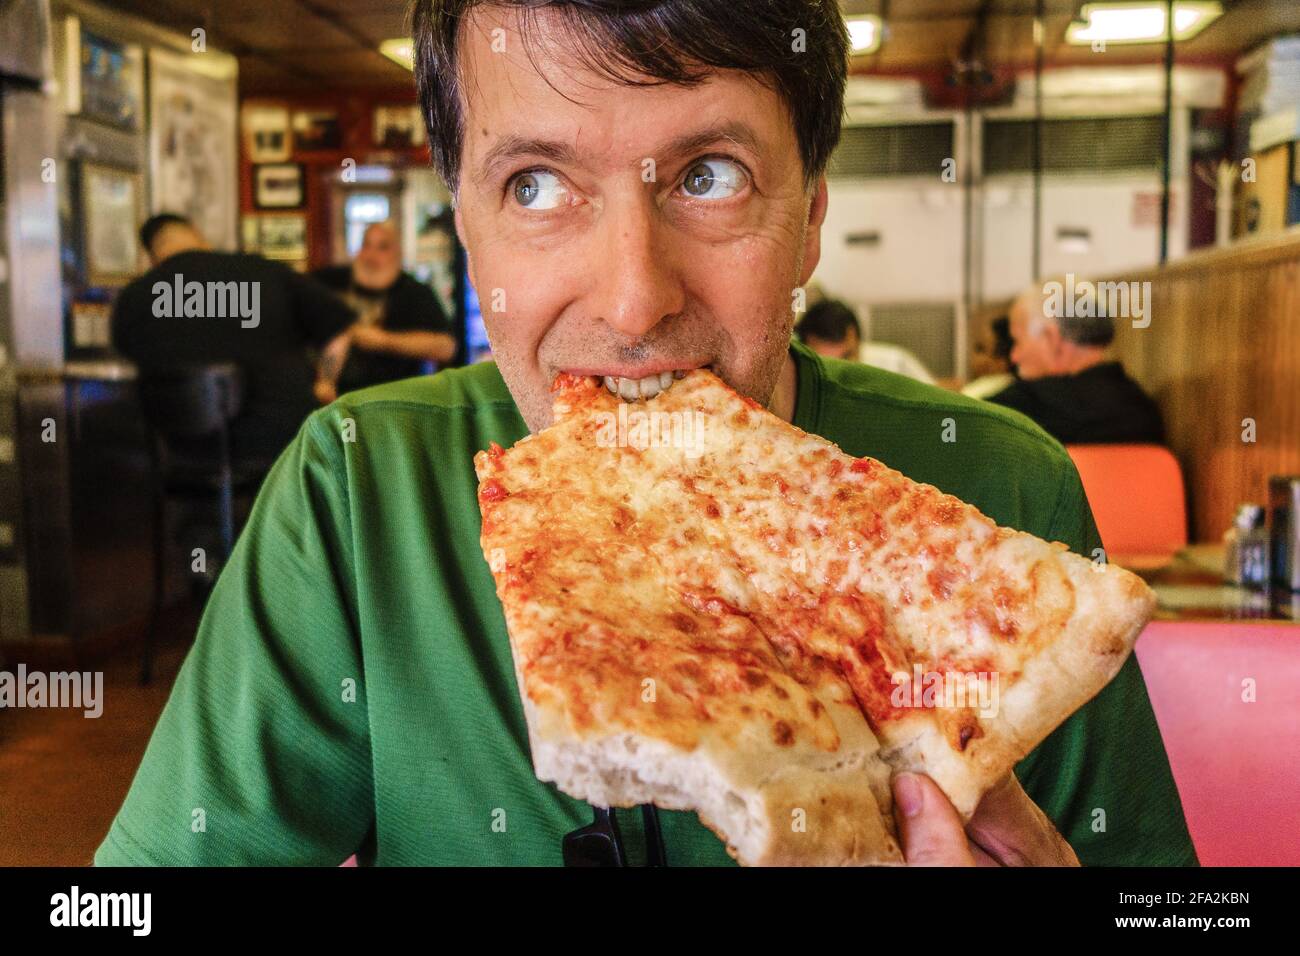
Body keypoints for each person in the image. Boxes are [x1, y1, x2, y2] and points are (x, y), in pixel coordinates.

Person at [96, 1, 1195, 868]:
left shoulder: (1000, 490)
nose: (632, 302)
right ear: (467, 228)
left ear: (810, 215)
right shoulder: (353, 492)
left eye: (709, 176)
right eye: (535, 185)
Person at [111, 214, 356, 466]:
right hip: (280, 448)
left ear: (152, 256)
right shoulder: (265, 271)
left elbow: (126, 356)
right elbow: (339, 329)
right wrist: (326, 382)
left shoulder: (135, 295)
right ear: (197, 234)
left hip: (179, 452)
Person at [988, 280, 1164, 444]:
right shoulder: (1144, 412)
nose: (1014, 356)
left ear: (1051, 339)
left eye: (1017, 341)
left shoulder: (1016, 409)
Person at [310, 221, 456, 400]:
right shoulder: (329, 281)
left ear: (398, 254)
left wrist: (383, 340)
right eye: (366, 245)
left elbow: (446, 347)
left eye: (383, 247)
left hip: (393, 402)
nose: (371, 255)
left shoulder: (415, 293)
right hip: (330, 402)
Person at [796, 298, 936, 384]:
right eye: (826, 363)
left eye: (847, 356)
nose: (840, 370)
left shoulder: (895, 364)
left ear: (858, 343)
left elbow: (934, 403)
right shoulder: (798, 386)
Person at [962, 314, 1015, 400]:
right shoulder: (1010, 385)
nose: (973, 355)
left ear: (1001, 361)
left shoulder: (983, 392)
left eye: (980, 349)